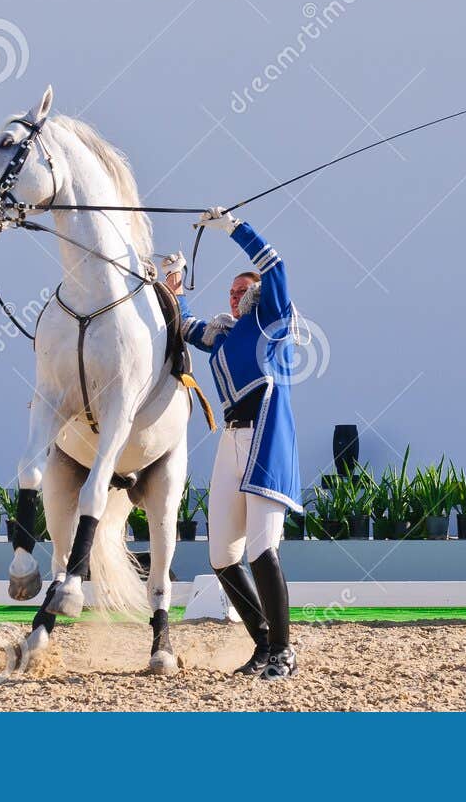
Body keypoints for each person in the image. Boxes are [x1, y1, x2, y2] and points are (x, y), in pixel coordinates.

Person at [161, 209, 303, 681]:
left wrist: (234, 228)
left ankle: (284, 651)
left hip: (265, 437)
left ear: (258, 295)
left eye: (243, 290)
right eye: (231, 291)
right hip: (231, 437)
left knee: (262, 548)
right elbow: (184, 325)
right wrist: (173, 283)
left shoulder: (272, 320)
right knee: (222, 555)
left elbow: (276, 265)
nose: (235, 296)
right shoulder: (225, 333)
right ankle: (263, 643)